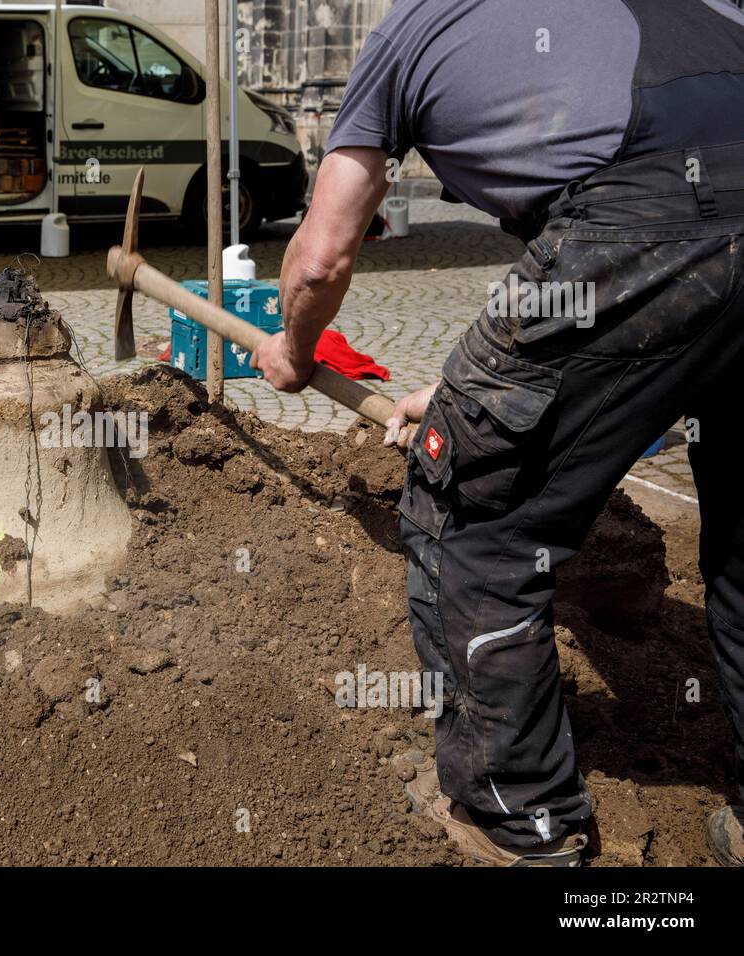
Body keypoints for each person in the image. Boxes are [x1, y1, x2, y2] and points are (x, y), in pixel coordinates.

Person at [253, 0, 744, 867]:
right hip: (686, 223)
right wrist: (460, 393)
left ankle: (520, 822)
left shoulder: (413, 28)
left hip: (641, 222)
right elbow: (569, 286)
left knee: (469, 517)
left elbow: (323, 256)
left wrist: (292, 349)